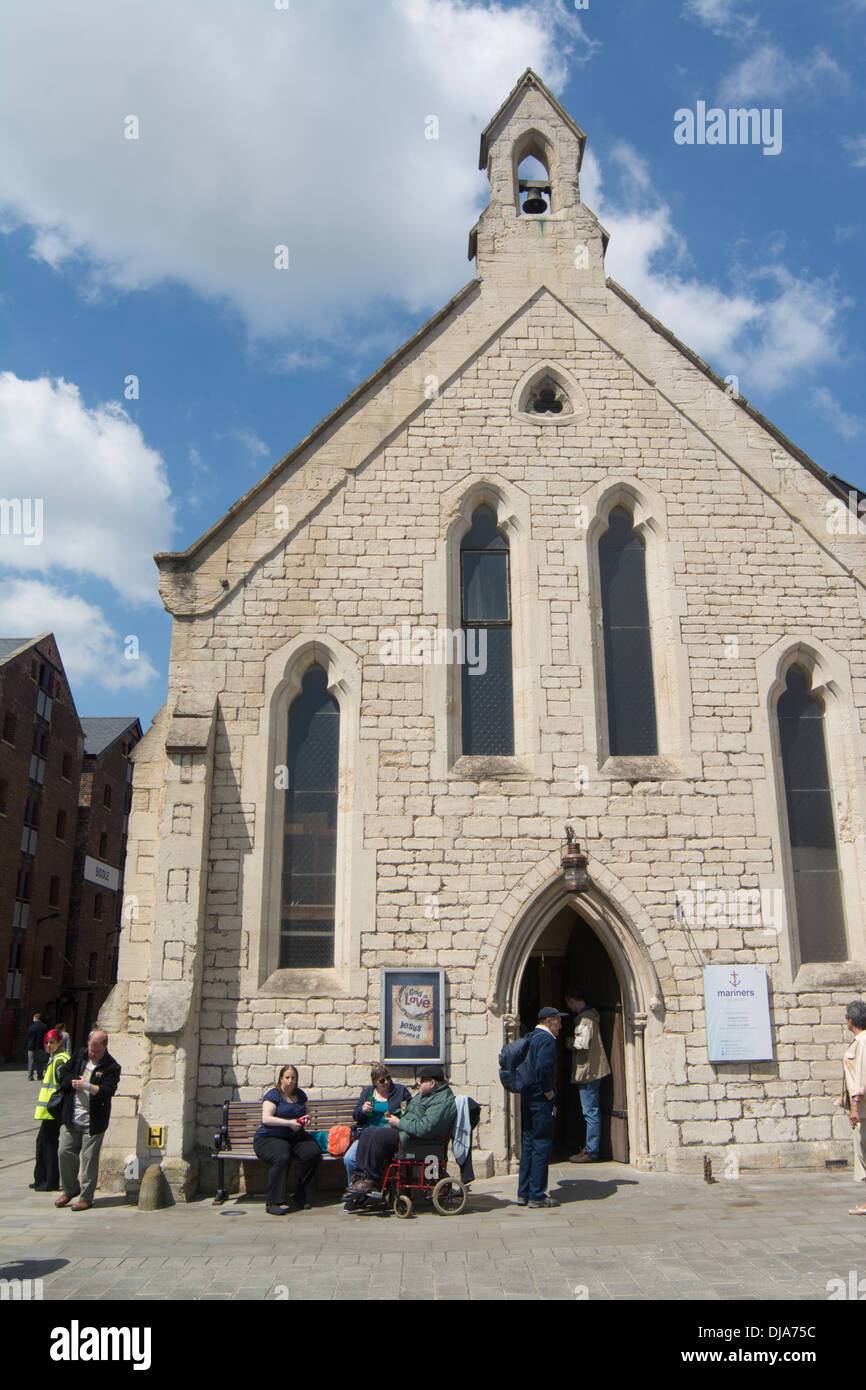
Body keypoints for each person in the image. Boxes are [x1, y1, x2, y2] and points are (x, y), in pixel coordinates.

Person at [349, 1065, 457, 1197]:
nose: (419, 1083)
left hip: (415, 1139)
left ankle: (372, 1179)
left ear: (432, 1083)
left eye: (422, 1081)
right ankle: (360, 1177)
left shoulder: (442, 1101)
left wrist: (399, 1122)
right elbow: (408, 1112)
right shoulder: (427, 1095)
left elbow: (425, 1128)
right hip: (405, 1131)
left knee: (378, 1135)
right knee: (368, 1132)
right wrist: (395, 1118)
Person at [55, 1029, 121, 1211]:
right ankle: (70, 1189)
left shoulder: (111, 1066)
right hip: (72, 1117)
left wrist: (88, 1086)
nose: (92, 1053)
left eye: (96, 1050)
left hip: (93, 1122)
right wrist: (72, 1082)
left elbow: (108, 1091)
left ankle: (86, 1197)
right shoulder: (80, 1056)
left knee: (89, 1159)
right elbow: (64, 1073)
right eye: (91, 1048)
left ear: (105, 1047)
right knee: (64, 1152)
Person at [252, 1065, 322, 1215]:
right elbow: (266, 1119)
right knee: (282, 1157)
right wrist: (289, 1123)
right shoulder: (273, 1095)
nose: (290, 1081)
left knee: (313, 1153)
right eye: (287, 1077)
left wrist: (307, 1118)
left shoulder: (300, 1095)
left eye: (293, 1078)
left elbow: (307, 1110)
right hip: (270, 1136)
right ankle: (273, 1202)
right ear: (281, 1079)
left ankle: (301, 1194)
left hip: (295, 1136)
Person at [517, 1006, 566, 1209]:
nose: (561, 1025)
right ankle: (537, 1195)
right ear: (548, 1021)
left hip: (528, 1097)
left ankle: (524, 1192)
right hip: (540, 1100)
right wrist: (549, 1091)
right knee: (541, 1144)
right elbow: (543, 1067)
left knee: (528, 1143)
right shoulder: (546, 1040)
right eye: (558, 1021)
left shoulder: (530, 1037)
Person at [344, 1064, 412, 1186]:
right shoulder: (367, 1093)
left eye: (388, 1078)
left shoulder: (400, 1092)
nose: (386, 1082)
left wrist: (398, 1119)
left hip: (389, 1134)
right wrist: (363, 1110)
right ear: (375, 1082)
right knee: (349, 1159)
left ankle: (367, 1186)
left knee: (376, 1155)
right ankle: (355, 1191)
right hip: (366, 1136)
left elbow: (409, 1111)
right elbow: (356, 1116)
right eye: (382, 1080)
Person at [564, 988, 611, 1163]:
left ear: (572, 1000)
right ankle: (590, 1148)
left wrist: (567, 1041)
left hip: (589, 1072)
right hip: (592, 1070)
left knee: (590, 1112)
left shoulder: (586, 1019)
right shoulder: (590, 1017)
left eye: (568, 1003)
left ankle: (591, 1151)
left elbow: (580, 1044)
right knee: (591, 1111)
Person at [30, 1028, 70, 1191]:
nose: (48, 1045)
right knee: (43, 1142)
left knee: (48, 1144)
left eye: (52, 1042)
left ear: (60, 1042)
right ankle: (41, 1179)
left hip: (53, 1110)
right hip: (50, 1110)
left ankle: (49, 1181)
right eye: (46, 1042)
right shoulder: (54, 1058)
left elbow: (63, 1083)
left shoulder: (60, 1060)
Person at [841, 1000, 866, 1215]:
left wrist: (855, 1107)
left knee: (865, 1153)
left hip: (864, 1109)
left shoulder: (863, 1042)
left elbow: (860, 1076)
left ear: (851, 1019)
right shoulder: (859, 1041)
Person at [25, 1014, 48, 1081]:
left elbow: (27, 1037)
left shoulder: (31, 1027)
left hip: (31, 1046)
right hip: (40, 1046)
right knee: (40, 1062)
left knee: (31, 1061)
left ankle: (30, 1076)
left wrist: (26, 1045)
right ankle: (40, 1076)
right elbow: (46, 1037)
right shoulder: (44, 1027)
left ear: (36, 1018)